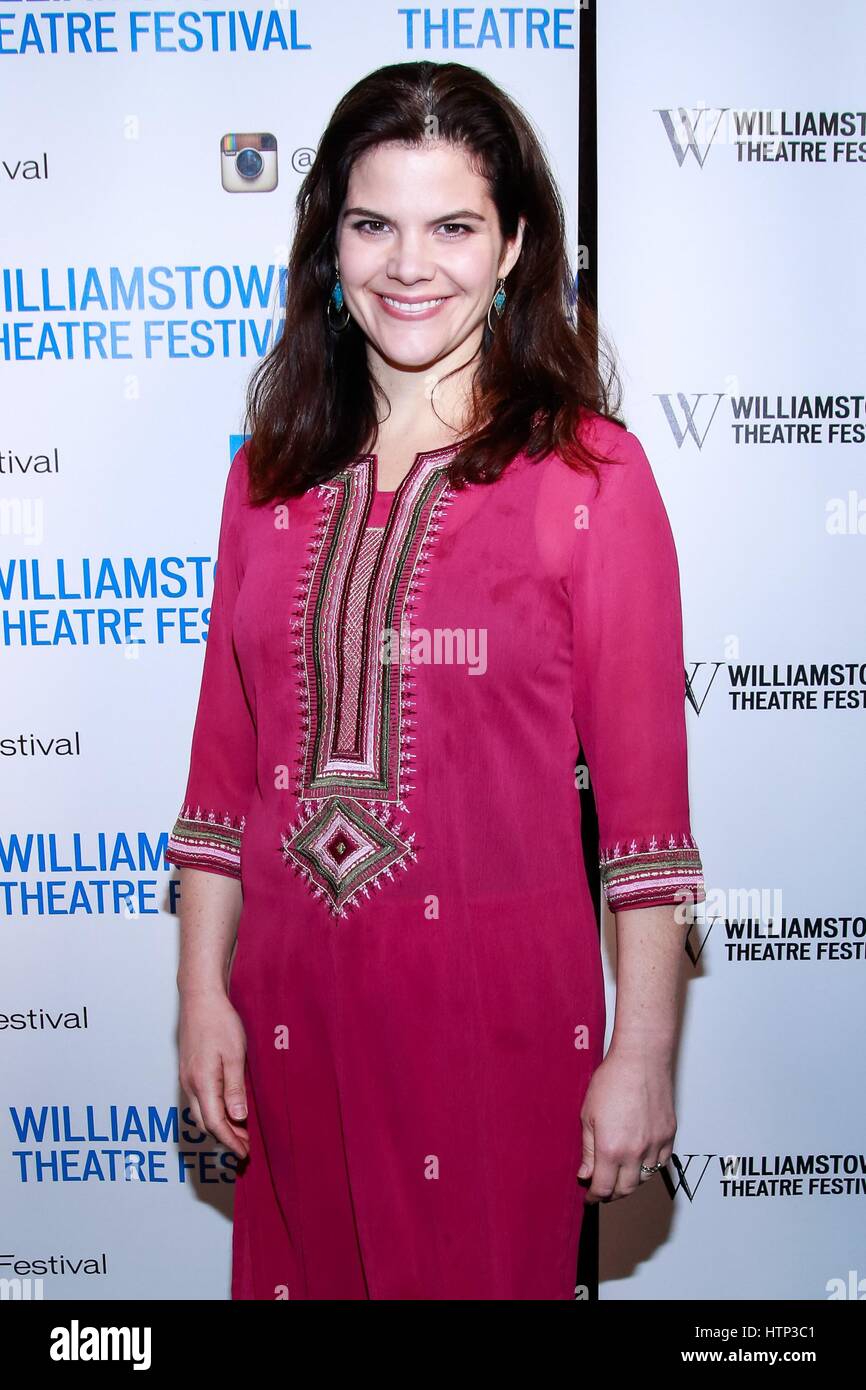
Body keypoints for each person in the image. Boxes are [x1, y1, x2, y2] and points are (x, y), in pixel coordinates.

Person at [165, 59, 705, 1301]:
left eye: (452, 225)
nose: (410, 264)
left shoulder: (591, 478)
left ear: (513, 243)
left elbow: (647, 830)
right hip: (292, 1020)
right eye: (373, 224)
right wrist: (203, 998)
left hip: (495, 1025)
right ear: (329, 244)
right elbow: (216, 787)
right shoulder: (269, 479)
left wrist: (643, 1056)